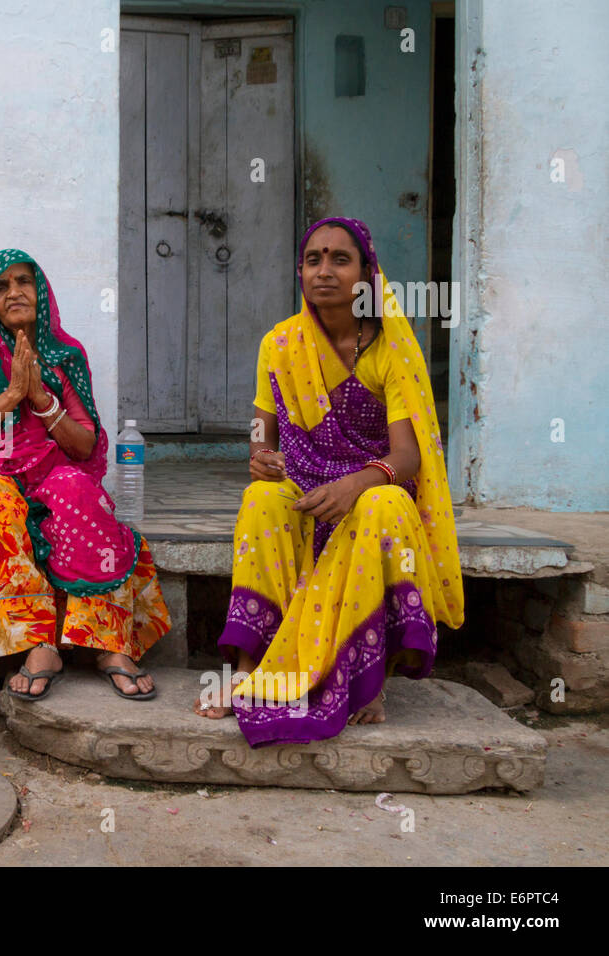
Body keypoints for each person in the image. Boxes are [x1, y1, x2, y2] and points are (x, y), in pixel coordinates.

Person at [194, 218, 464, 746]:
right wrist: (260, 455)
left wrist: (357, 484)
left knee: (381, 505)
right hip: (308, 491)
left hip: (373, 492)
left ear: (366, 273)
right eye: (314, 259)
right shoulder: (280, 343)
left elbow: (407, 456)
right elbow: (259, 424)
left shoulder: (392, 348)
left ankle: (369, 678)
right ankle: (251, 665)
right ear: (301, 270)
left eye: (341, 259)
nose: (324, 271)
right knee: (262, 499)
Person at [0, 249, 170, 700]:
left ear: (40, 291)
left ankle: (109, 643)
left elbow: (83, 445)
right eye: (1, 286)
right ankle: (40, 644)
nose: (14, 292)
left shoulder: (66, 353)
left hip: (53, 468)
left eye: (23, 281)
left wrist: (40, 397)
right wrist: (9, 398)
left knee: (79, 491)